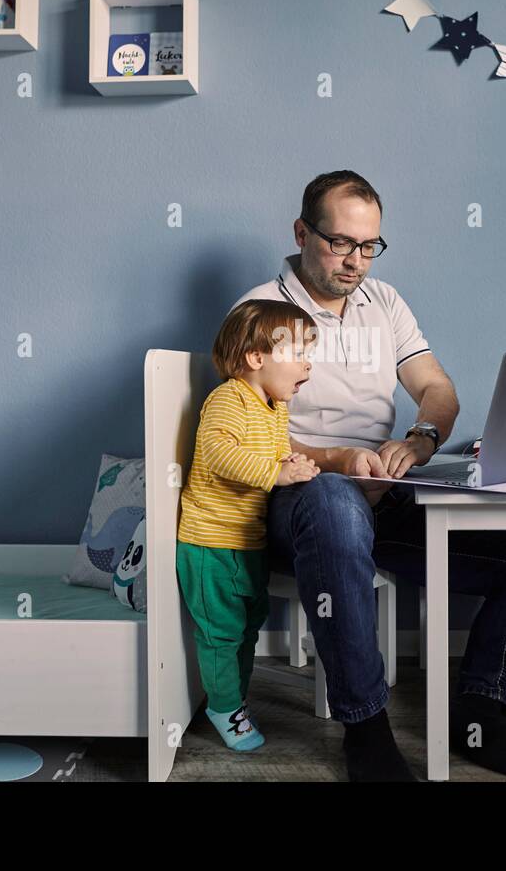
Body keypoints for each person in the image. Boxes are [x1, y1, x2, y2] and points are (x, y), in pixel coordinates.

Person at [234, 170, 506, 781]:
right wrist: (338, 461)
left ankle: (481, 713)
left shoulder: (384, 303)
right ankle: (366, 728)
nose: (356, 261)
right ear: (302, 232)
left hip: (384, 496)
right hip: (300, 496)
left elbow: (437, 388)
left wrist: (420, 439)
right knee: (333, 502)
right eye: (340, 243)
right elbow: (244, 431)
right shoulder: (260, 312)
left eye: (369, 246)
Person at [176, 299, 319, 751]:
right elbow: (219, 453)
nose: (308, 366)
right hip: (210, 542)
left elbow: (270, 452)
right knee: (221, 631)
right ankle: (224, 707)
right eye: (298, 355)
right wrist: (277, 473)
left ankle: (231, 697)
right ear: (256, 358)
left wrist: (288, 462)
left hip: (247, 540)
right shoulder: (228, 398)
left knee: (248, 623)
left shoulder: (275, 407)